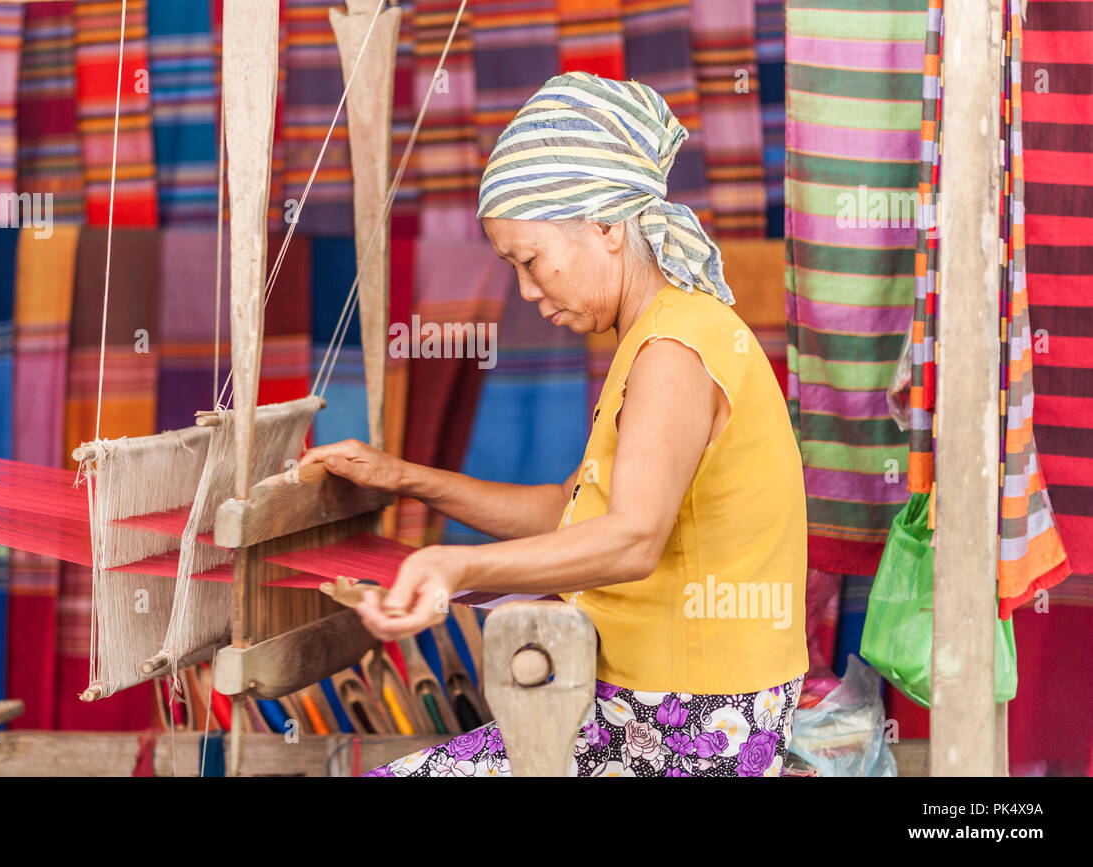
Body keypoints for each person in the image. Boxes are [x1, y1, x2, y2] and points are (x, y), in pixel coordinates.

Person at [298, 71, 807, 777]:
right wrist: (406, 478)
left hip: (687, 727)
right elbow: (569, 511)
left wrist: (459, 566)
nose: (527, 291)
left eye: (531, 260)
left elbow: (632, 540)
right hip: (651, 709)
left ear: (606, 226)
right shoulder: (659, 334)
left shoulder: (675, 347)